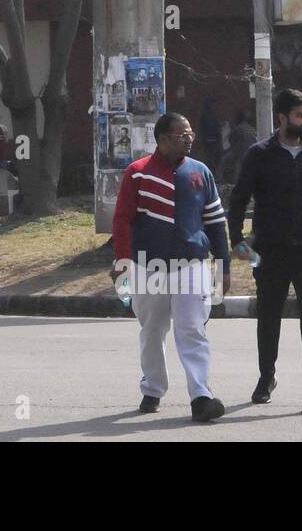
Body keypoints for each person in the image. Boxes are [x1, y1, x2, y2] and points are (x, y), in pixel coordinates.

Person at [227, 88, 302, 416]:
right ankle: (266, 377)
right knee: (268, 319)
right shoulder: (259, 154)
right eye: (300, 115)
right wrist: (236, 238)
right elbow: (238, 198)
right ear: (282, 118)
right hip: (270, 252)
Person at [111, 112, 230, 422]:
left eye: (191, 134)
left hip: (191, 265)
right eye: (181, 135)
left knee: (192, 330)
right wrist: (122, 262)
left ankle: (201, 396)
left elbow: (216, 221)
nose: (189, 139)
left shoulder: (200, 172)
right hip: (147, 267)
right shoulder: (138, 174)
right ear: (162, 139)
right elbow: (122, 219)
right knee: (152, 330)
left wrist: (223, 263)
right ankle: (152, 388)